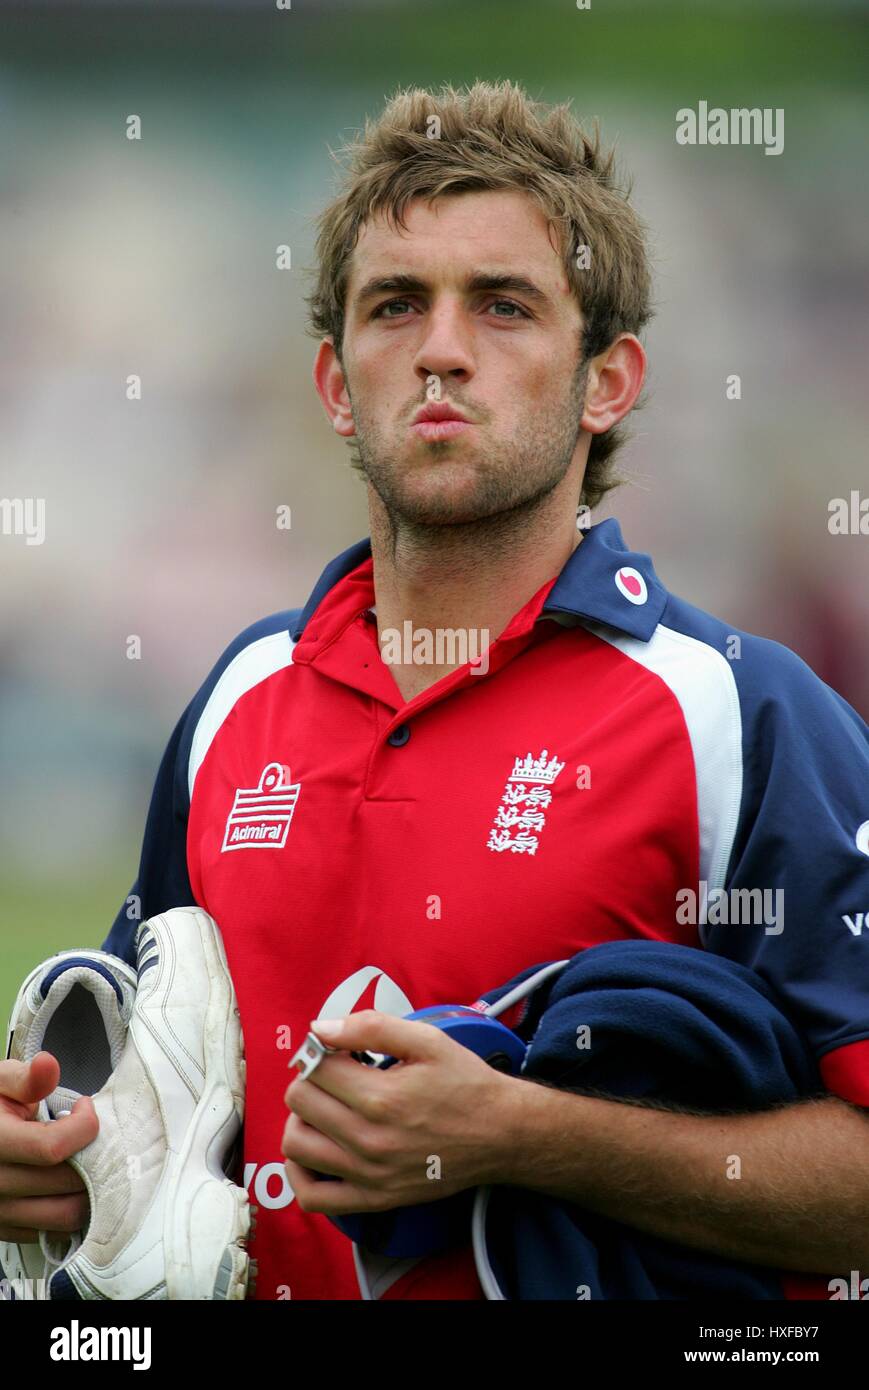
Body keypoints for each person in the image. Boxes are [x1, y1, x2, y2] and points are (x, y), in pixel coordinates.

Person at [2, 80, 867, 1302]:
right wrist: (57, 1153)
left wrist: (528, 1135)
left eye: (503, 306)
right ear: (335, 384)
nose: (442, 349)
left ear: (608, 381)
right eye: (395, 305)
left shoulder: (739, 716)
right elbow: (149, 1094)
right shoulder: (239, 699)